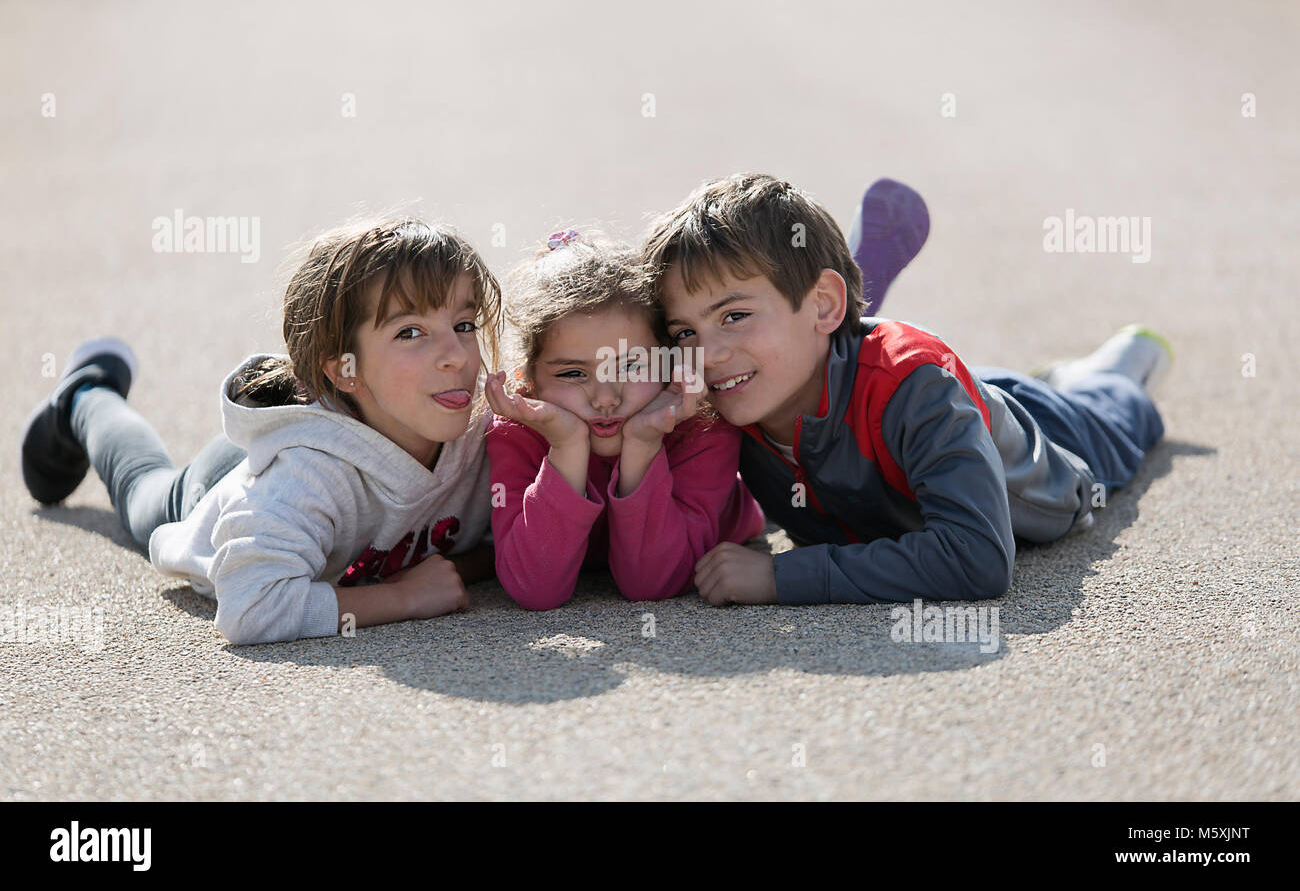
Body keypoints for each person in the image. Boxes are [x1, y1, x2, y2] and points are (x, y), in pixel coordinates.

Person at [641, 173, 1169, 606]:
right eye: (684, 332)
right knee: (868, 378)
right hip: (907, 390)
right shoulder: (725, 394)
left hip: (1053, 435)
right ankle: (847, 313)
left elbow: (976, 558)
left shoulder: (916, 388)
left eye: (734, 315)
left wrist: (783, 577)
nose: (705, 355)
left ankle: (1125, 358)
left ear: (823, 304)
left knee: (1111, 403)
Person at [20, 216, 502, 644]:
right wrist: (402, 598)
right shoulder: (306, 478)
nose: (457, 357)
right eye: (410, 332)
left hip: (313, 438)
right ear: (343, 369)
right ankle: (86, 397)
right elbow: (251, 609)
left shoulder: (487, 433)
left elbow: (504, 544)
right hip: (220, 490)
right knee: (143, 483)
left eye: (463, 323)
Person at [483, 229, 765, 610]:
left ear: (669, 362)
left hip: (732, 520)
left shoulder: (700, 425)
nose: (605, 398)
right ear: (527, 381)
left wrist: (644, 444)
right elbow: (535, 588)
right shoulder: (518, 432)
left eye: (631, 367)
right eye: (572, 374)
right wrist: (566, 447)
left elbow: (652, 582)